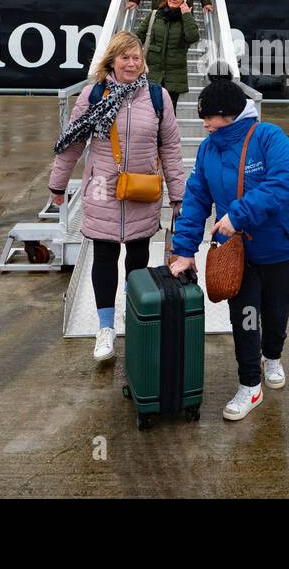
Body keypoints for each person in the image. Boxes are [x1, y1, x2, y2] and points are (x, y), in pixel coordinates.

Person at [169, 76, 289, 421]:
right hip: (237, 254)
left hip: (281, 247)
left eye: (208, 118)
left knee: (276, 312)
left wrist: (238, 215)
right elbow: (196, 199)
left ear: (229, 114)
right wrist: (184, 249)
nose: (204, 125)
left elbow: (284, 181)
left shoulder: (268, 137)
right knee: (244, 317)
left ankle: (272, 357)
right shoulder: (208, 148)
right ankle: (250, 385)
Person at [49, 31, 187, 361]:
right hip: (103, 190)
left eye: (136, 57)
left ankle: (134, 315)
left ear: (144, 63)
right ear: (112, 60)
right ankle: (106, 329)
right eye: (124, 57)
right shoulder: (93, 95)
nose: (131, 63)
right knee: (105, 258)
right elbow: (73, 142)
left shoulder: (157, 97)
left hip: (143, 190)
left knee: (139, 260)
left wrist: (178, 195)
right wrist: (58, 185)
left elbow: (170, 147)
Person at [135, 0, 200, 105]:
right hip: (153, 71)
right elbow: (138, 37)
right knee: (150, 110)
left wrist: (186, 15)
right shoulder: (155, 15)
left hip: (175, 74)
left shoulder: (186, 18)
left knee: (169, 113)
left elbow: (193, 37)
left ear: (183, 0)